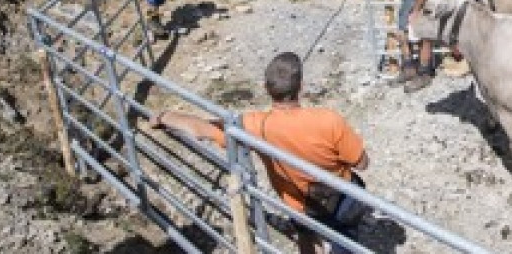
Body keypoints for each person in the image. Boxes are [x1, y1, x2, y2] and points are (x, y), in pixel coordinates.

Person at [148, 52, 370, 254]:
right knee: (345, 239)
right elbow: (361, 163)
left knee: (305, 233)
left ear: (266, 88)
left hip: (300, 204)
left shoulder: (254, 125)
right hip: (340, 198)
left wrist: (164, 117)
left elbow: (201, 129)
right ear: (301, 87)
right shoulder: (329, 120)